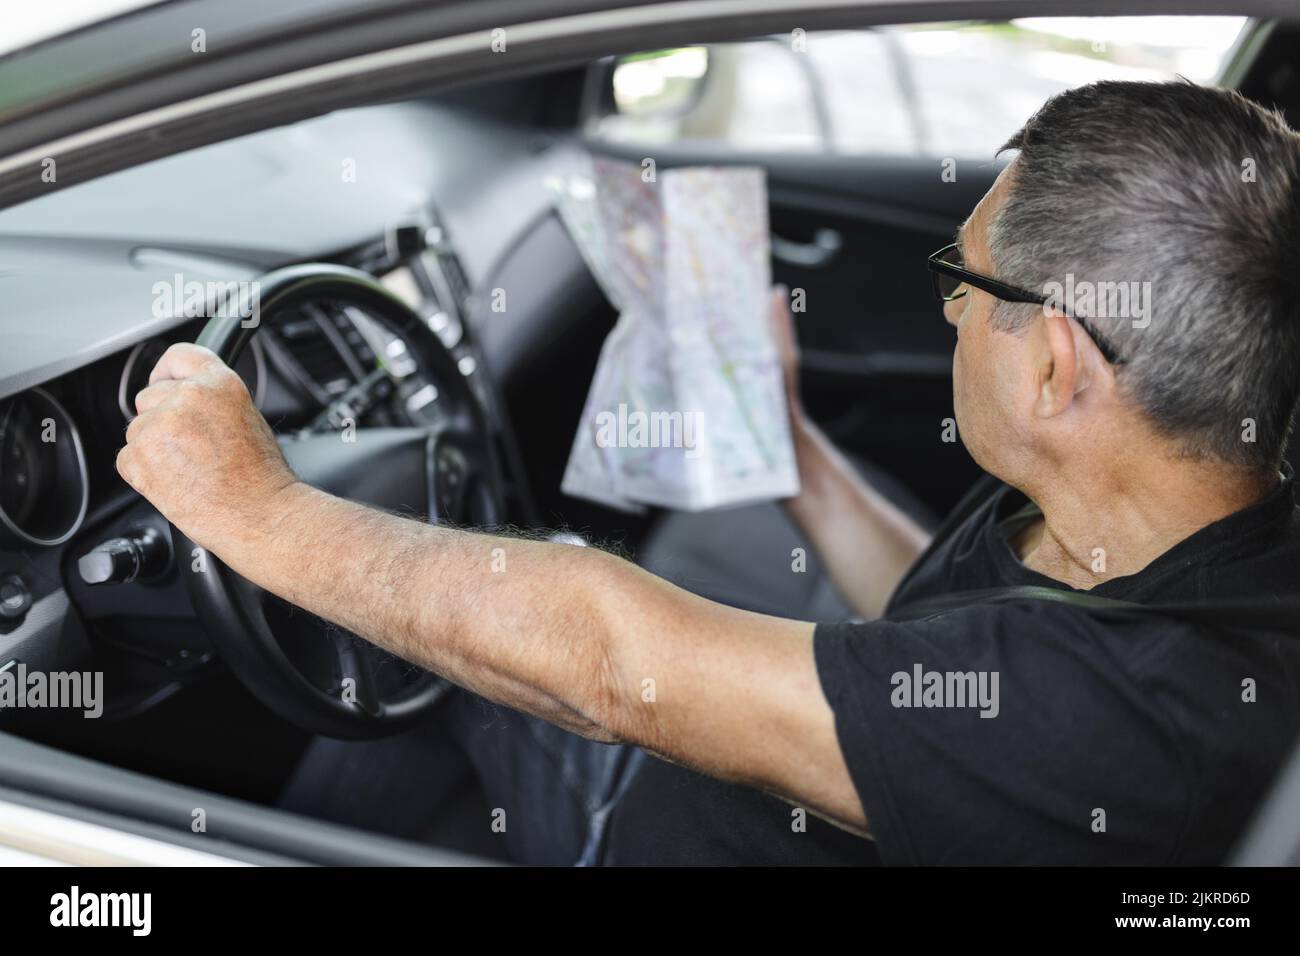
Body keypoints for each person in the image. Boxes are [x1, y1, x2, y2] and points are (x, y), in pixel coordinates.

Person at [117, 80, 1300, 865]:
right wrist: (783, 443)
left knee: (458, 632)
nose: (945, 304)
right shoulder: (1154, 511)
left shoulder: (1130, 716)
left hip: (637, 834)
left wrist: (257, 507)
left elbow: (614, 665)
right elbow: (944, 630)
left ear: (1053, 368)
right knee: (502, 602)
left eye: (966, 280)